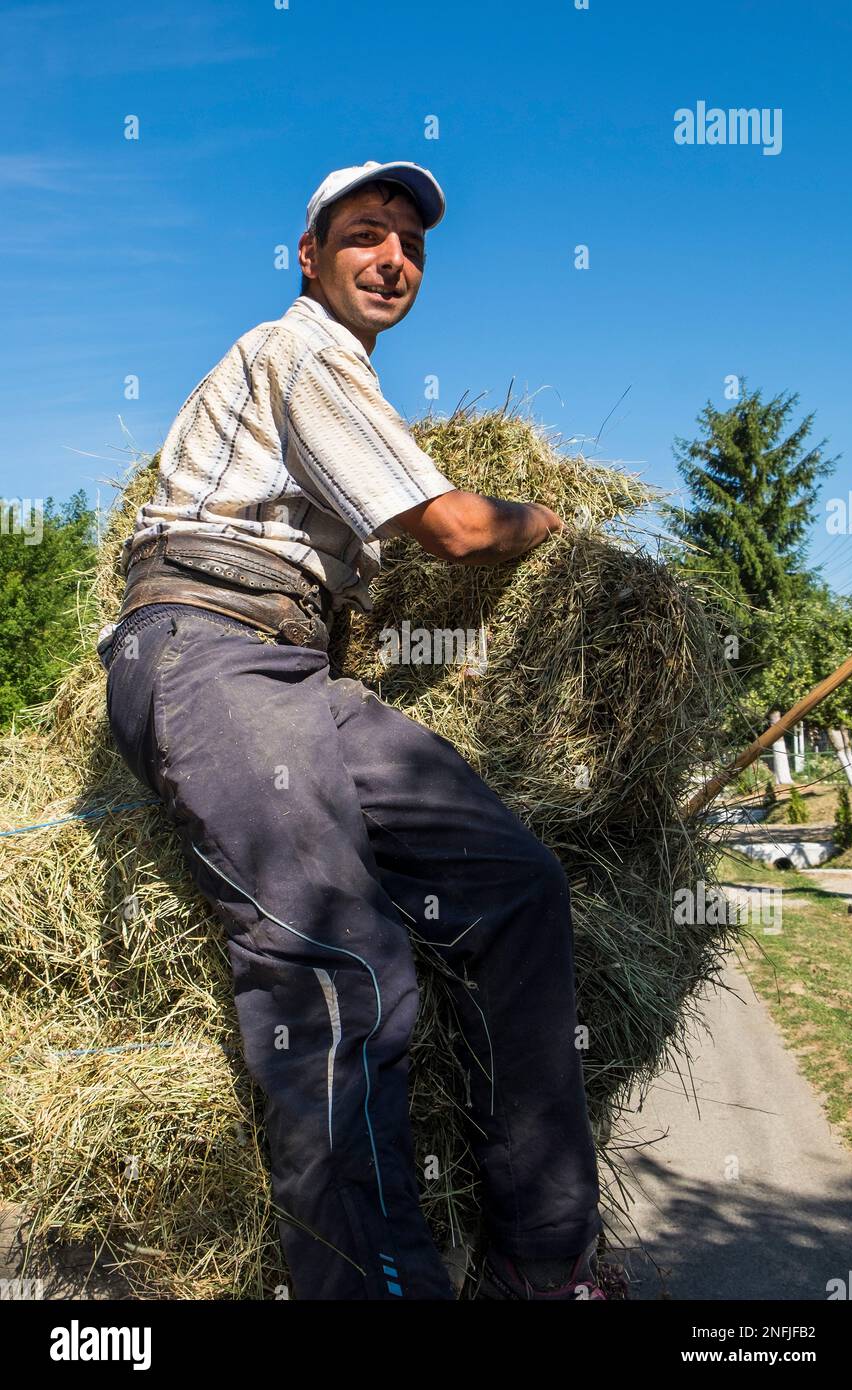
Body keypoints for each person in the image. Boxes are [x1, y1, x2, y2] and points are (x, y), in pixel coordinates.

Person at [101, 159, 606, 1300]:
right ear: (310, 256)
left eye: (411, 245)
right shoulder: (301, 348)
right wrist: (548, 518)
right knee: (337, 958)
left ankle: (542, 1258)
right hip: (204, 644)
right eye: (366, 234)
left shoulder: (347, 389)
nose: (392, 259)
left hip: (296, 669)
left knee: (517, 882)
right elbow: (458, 531)